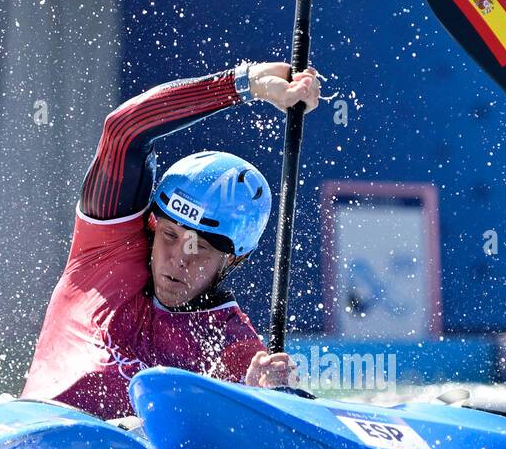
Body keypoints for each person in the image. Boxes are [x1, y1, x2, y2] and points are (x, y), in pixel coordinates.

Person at [21, 62, 320, 418]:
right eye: (169, 235)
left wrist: (264, 400)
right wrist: (247, 84)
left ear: (235, 260)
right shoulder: (104, 249)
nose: (179, 258)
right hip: (34, 428)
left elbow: (262, 436)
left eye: (201, 248)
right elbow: (124, 130)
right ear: (152, 222)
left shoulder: (233, 344)